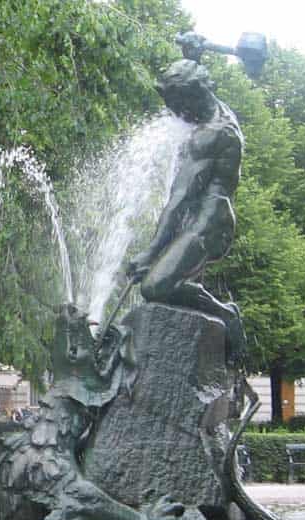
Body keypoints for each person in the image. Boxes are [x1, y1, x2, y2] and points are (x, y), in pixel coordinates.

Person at [125, 55, 246, 362]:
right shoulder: (216, 110)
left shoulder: (212, 135)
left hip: (209, 222)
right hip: (200, 217)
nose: (173, 112)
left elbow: (178, 199)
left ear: (191, 97)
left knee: (155, 286)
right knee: (163, 285)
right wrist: (192, 56)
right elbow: (193, 76)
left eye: (175, 103)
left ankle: (226, 315)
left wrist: (150, 252)